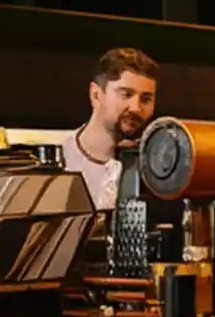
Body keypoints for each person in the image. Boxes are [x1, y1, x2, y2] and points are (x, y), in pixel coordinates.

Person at [62, 47, 159, 210]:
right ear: (96, 95)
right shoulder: (62, 161)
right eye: (126, 94)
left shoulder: (155, 168)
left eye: (146, 99)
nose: (136, 108)